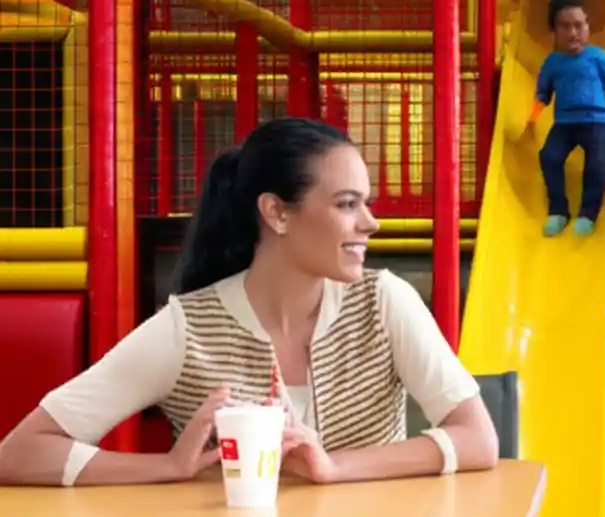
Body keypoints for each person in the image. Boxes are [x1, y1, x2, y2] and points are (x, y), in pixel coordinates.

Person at [0, 118, 498, 487]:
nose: (371, 223)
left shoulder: (384, 302)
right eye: (348, 204)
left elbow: (478, 439)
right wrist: (169, 468)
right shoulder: (186, 329)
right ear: (277, 213)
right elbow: (18, 454)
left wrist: (334, 467)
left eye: (365, 203)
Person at [527, 0, 605, 238]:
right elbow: (543, 94)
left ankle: (587, 214)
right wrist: (532, 117)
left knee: (597, 165)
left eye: (579, 25)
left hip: (596, 122)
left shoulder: (599, 58)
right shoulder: (552, 63)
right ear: (554, 31)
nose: (573, 32)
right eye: (565, 26)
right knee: (549, 156)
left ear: (588, 27)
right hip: (565, 123)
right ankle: (559, 211)